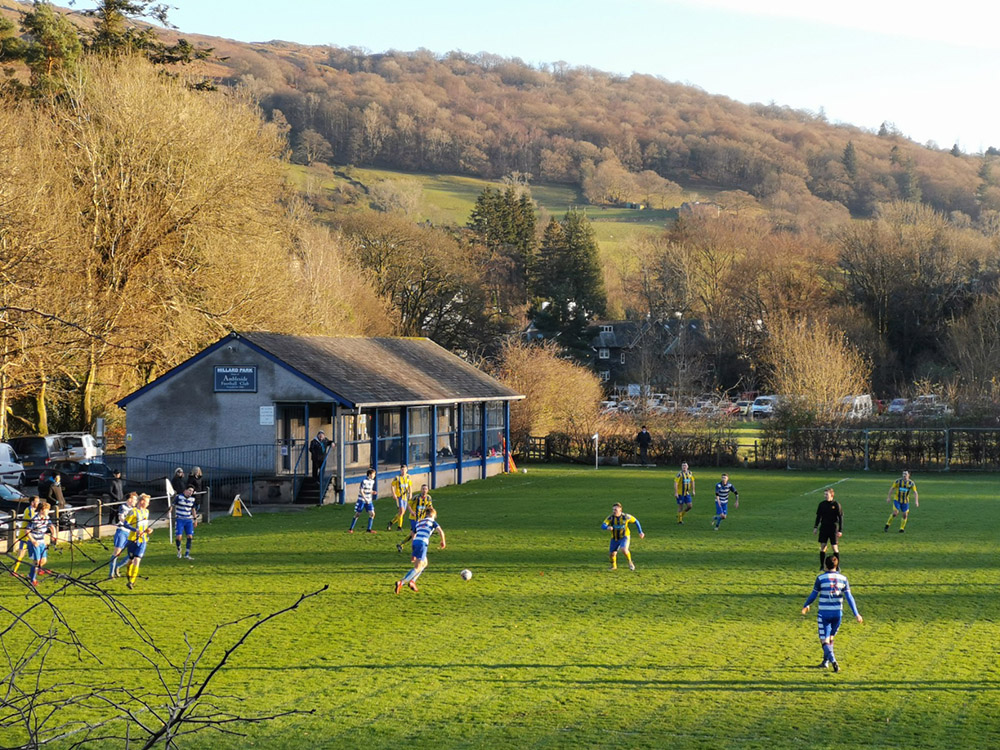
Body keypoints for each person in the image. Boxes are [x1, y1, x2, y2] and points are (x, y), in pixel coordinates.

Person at [801, 555, 863, 672]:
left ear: (825, 565)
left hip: (824, 614)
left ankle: (833, 661)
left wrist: (806, 605)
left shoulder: (820, 578)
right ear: (837, 565)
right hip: (837, 614)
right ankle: (825, 662)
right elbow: (849, 597)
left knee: (824, 640)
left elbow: (813, 594)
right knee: (830, 638)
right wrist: (856, 614)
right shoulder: (844, 579)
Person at [394, 507, 446, 594]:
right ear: (433, 515)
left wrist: (413, 549)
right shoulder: (432, 522)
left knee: (425, 563)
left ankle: (412, 581)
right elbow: (440, 531)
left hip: (416, 542)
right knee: (418, 567)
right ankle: (401, 582)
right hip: (422, 543)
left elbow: (412, 534)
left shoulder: (420, 522)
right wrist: (443, 541)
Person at [122, 493, 153, 590]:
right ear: (142, 501)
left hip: (143, 540)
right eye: (147, 502)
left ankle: (131, 582)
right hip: (132, 540)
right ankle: (128, 572)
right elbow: (126, 524)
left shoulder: (146, 512)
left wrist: (148, 530)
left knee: (137, 560)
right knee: (131, 561)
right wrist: (136, 530)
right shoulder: (133, 512)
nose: (148, 504)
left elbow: (144, 525)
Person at [601, 502, 644, 571]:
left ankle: (630, 562)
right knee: (612, 554)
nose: (614, 511)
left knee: (624, 549)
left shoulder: (626, 517)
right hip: (614, 538)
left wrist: (640, 532)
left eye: (615, 510)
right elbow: (603, 525)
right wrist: (607, 527)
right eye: (613, 510)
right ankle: (614, 566)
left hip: (624, 537)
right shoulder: (610, 518)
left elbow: (636, 521)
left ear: (620, 510)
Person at [24, 501, 57, 588]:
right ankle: (33, 580)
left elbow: (52, 527)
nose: (48, 511)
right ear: (42, 510)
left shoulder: (46, 518)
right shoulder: (34, 519)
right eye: (47, 510)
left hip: (42, 542)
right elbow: (27, 531)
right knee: (36, 562)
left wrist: (54, 535)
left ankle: (30, 575)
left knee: (43, 561)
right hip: (34, 543)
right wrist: (33, 541)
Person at [397, 483, 434, 552]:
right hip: (413, 518)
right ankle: (414, 550)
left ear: (428, 490)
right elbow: (408, 504)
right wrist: (411, 512)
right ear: (421, 490)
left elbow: (430, 507)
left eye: (425, 489)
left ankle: (401, 544)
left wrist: (432, 513)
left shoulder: (429, 498)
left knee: (412, 533)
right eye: (423, 489)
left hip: (422, 519)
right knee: (415, 533)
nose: (424, 490)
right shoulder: (416, 497)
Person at [109, 492, 138, 579]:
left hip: (131, 533)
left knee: (132, 554)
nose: (136, 501)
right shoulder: (123, 507)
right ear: (130, 499)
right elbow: (120, 517)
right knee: (117, 553)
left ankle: (118, 566)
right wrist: (127, 523)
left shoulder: (135, 509)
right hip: (122, 531)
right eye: (135, 499)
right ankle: (111, 574)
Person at [814, 487, 843, 569]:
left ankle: (837, 566)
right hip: (824, 528)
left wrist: (840, 530)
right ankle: (822, 565)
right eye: (824, 494)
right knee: (823, 546)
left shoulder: (836, 504)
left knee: (834, 547)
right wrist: (815, 527)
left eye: (827, 494)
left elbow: (840, 518)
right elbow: (818, 517)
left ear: (831, 495)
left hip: (833, 528)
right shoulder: (822, 504)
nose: (825, 496)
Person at [11, 496, 40, 577]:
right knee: (21, 554)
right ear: (32, 502)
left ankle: (36, 570)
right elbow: (33, 521)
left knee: (36, 553)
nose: (38, 503)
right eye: (36, 502)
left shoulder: (34, 510)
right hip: (25, 536)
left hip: (30, 535)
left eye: (38, 501)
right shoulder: (29, 511)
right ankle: (14, 571)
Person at [349, 468, 377, 534]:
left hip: (369, 500)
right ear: (369, 474)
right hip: (362, 500)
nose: (374, 476)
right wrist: (365, 499)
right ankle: (350, 529)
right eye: (373, 474)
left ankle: (369, 529)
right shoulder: (364, 481)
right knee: (357, 514)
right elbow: (361, 491)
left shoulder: (372, 481)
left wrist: (372, 492)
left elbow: (369, 490)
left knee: (372, 514)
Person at [173, 486, 198, 560]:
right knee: (179, 537)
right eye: (189, 490)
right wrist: (169, 512)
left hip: (188, 520)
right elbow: (172, 505)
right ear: (185, 491)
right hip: (180, 519)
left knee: (190, 536)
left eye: (192, 491)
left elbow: (193, 510)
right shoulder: (179, 497)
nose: (190, 492)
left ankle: (187, 554)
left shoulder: (192, 499)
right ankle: (179, 550)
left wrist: (195, 519)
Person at [386, 464, 412, 531]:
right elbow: (392, 485)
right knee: (401, 511)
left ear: (407, 470)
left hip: (405, 496)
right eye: (402, 470)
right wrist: (394, 494)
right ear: (400, 470)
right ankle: (399, 527)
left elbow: (410, 486)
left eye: (404, 470)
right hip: (399, 497)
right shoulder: (397, 478)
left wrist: (410, 493)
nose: (403, 471)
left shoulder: (408, 477)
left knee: (402, 513)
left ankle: (391, 523)